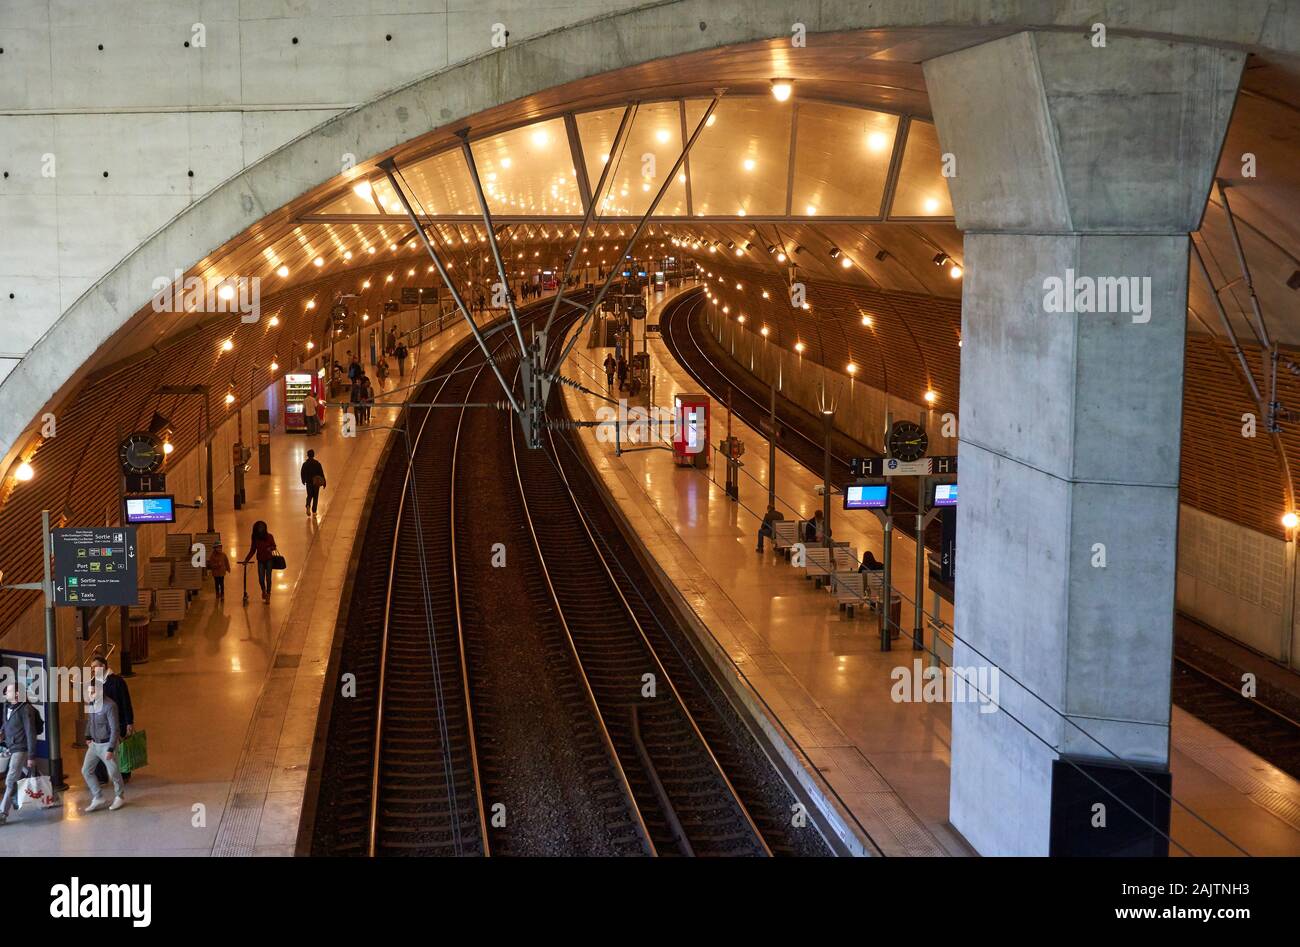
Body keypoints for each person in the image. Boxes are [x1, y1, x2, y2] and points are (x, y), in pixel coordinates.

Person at [90, 654, 136, 784]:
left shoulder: (117, 681)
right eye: (92, 668)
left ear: (103, 666)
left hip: (117, 721)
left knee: (120, 749)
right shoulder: (95, 682)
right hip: (101, 723)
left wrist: (129, 722)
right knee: (99, 748)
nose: (93, 670)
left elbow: (126, 702)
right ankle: (101, 777)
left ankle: (124, 774)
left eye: (95, 667)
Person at [81, 678, 125, 812]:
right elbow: (90, 721)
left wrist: (111, 748)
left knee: (113, 772)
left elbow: (115, 729)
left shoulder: (110, 706)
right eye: (89, 693)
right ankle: (98, 796)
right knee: (86, 770)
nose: (90, 696)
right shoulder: (92, 703)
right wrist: (88, 736)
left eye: (92, 693)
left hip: (107, 744)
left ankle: (120, 796)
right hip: (94, 744)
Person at [0, 682, 37, 825]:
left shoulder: (26, 709)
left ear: (16, 694)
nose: (5, 694)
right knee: (31, 772)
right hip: (12, 745)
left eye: (8, 691)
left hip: (20, 748)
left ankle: (3, 812)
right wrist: (2, 731)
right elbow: (6, 721)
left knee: (10, 780)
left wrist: (32, 755)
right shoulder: (6, 706)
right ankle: (51, 795)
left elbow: (30, 733)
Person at [242, 521, 278, 603]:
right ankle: (263, 590)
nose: (261, 530)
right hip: (260, 560)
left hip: (269, 559)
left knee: (268, 578)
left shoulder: (269, 536)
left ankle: (268, 594)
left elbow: (274, 546)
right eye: (259, 529)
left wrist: (270, 548)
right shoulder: (255, 538)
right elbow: (253, 550)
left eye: (262, 528)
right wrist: (246, 560)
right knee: (261, 578)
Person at [301, 450, 326, 516]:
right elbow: (321, 473)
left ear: (308, 455)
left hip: (308, 482)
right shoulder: (317, 463)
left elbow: (302, 473)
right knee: (315, 496)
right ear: (313, 455)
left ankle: (308, 505)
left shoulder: (305, 464)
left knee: (309, 495)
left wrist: (303, 480)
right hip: (316, 483)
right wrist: (324, 482)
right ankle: (314, 511)